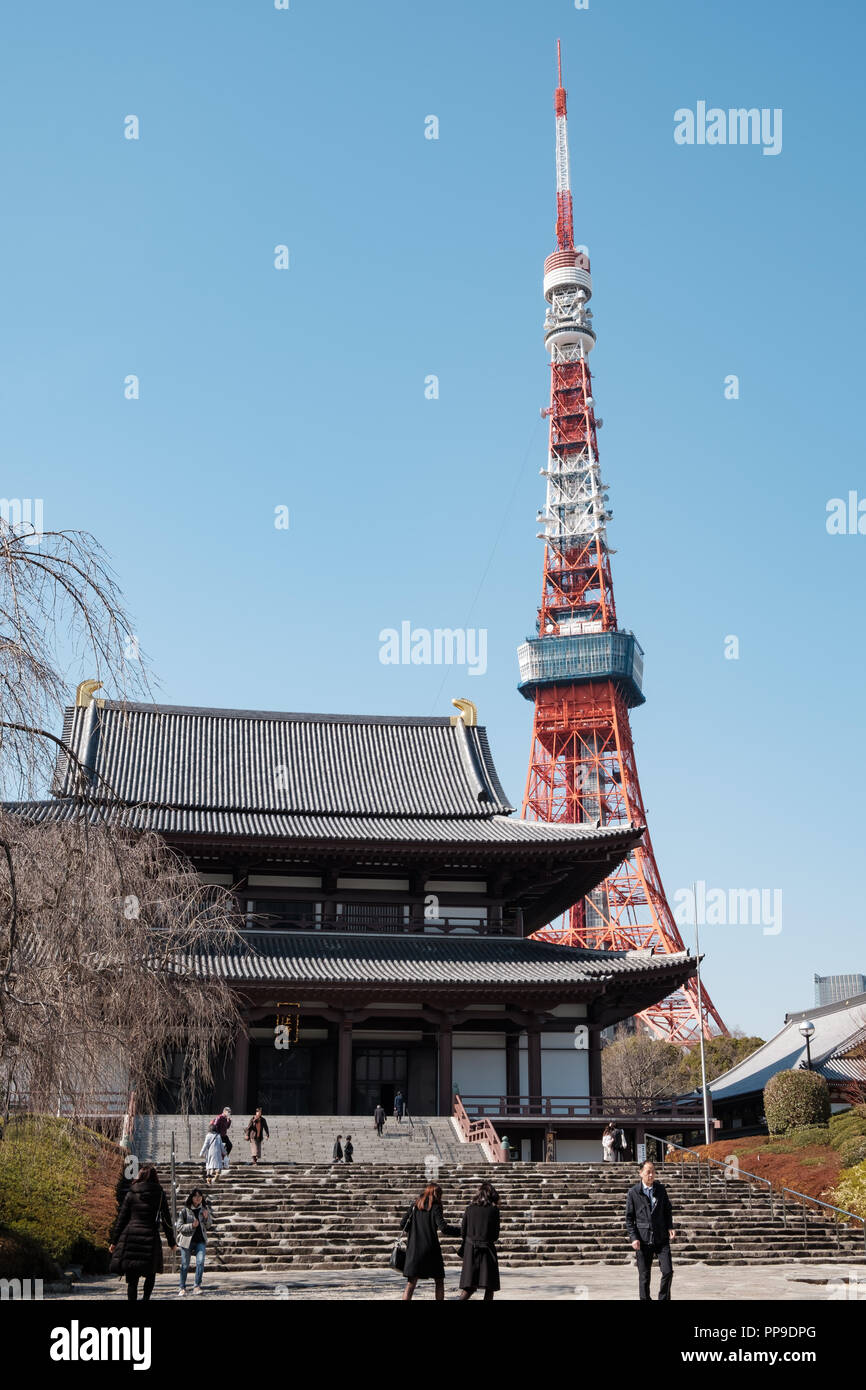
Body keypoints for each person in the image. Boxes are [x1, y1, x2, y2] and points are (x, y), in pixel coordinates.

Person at [109, 1164, 176, 1301]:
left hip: (131, 1235)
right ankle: (146, 1298)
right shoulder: (159, 1194)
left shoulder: (131, 1192)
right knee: (150, 1274)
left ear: (139, 1176)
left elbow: (122, 1218)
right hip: (150, 1236)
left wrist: (114, 1241)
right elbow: (166, 1220)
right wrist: (172, 1242)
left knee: (132, 1279)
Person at [625, 1159, 677, 1301]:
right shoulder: (633, 1193)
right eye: (648, 1172)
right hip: (643, 1239)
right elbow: (629, 1218)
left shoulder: (660, 1189)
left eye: (653, 1172)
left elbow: (667, 1210)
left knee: (668, 1271)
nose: (651, 1175)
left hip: (661, 1238)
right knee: (644, 1276)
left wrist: (670, 1226)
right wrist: (634, 1237)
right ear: (640, 1173)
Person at [400, 1182, 460, 1301]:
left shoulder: (415, 1204)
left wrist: (414, 1231)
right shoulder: (435, 1206)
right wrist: (461, 1231)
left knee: (411, 1283)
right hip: (430, 1249)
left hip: (414, 1249)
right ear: (437, 1194)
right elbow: (443, 1227)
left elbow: (403, 1224)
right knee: (439, 1280)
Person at [456, 1181, 501, 1301]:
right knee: (489, 1287)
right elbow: (495, 1235)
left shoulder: (469, 1209)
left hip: (471, 1250)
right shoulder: (494, 1210)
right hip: (487, 1250)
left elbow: (463, 1232)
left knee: (469, 1286)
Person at [176, 1188, 211, 1296]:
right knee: (185, 1265)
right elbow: (179, 1227)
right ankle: (182, 1287)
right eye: (195, 1196)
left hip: (200, 1241)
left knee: (200, 1262)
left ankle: (197, 1286)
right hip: (187, 1241)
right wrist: (191, 1226)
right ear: (191, 1197)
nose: (198, 1198)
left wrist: (206, 1218)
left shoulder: (204, 1209)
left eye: (200, 1196)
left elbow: (209, 1225)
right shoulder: (185, 1210)